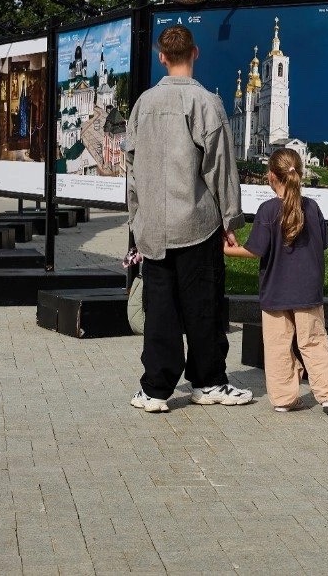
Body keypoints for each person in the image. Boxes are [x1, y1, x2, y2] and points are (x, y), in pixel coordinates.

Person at [125, 24, 249, 413]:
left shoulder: (143, 104)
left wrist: (137, 218)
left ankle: (154, 389)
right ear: (195, 53)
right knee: (203, 306)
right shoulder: (206, 103)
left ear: (162, 56)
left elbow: (130, 169)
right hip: (196, 224)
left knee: (159, 308)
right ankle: (208, 381)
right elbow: (220, 168)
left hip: (153, 228)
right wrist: (230, 219)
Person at [224, 148, 328, 414]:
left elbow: (254, 250)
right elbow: (323, 244)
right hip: (307, 290)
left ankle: (283, 398)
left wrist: (224, 249)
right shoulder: (312, 208)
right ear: (299, 174)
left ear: (271, 176)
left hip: (275, 290)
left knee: (278, 345)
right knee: (313, 341)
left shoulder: (267, 211)